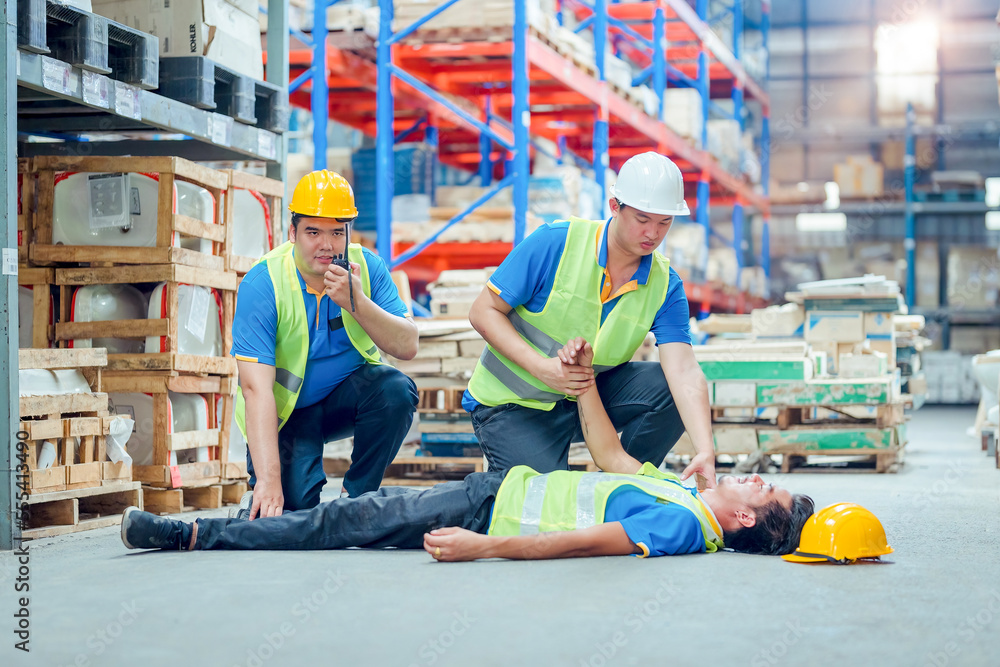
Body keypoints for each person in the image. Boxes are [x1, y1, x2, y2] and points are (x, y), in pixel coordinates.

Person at [120, 339, 814, 560]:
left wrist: (485, 549)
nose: (753, 479)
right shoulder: (684, 496)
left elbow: (580, 543)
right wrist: (578, 381)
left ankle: (193, 534)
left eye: (762, 489)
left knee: (348, 521)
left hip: (491, 517)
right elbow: (605, 450)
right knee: (355, 518)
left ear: (749, 519)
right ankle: (208, 531)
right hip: (501, 491)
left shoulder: (681, 526)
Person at [464, 152, 718, 488]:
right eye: (642, 219)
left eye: (664, 222)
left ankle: (622, 488)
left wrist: (705, 450)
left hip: (584, 400)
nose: (653, 233)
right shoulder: (556, 242)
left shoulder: (664, 284)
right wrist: (542, 368)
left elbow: (684, 371)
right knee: (545, 503)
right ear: (615, 206)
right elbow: (482, 311)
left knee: (667, 387)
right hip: (513, 405)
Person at [231, 170, 419, 519]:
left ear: (348, 232)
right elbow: (255, 389)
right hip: (288, 413)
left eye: (337, 232)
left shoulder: (367, 267)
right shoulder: (264, 283)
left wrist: (357, 302)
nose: (327, 245)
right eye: (313, 232)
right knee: (291, 505)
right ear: (293, 233)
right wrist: (269, 481)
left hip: (342, 399)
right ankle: (272, 482)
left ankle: (357, 499)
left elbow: (408, 346)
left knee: (396, 389)